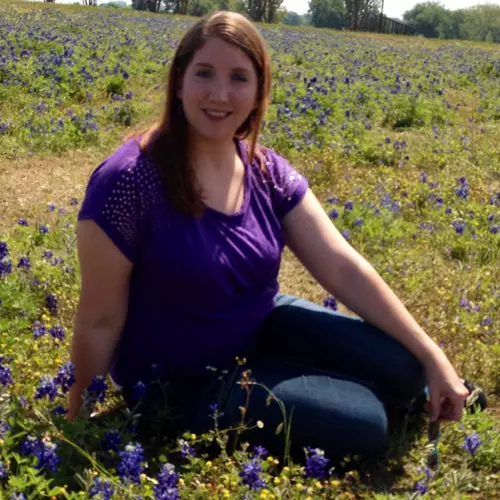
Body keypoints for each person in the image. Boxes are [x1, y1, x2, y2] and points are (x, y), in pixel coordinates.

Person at [68, 11, 486, 461]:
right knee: (366, 425)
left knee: (407, 367)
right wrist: (78, 419)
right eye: (204, 73)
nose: (220, 94)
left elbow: (341, 266)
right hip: (181, 378)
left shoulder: (265, 171)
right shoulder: (128, 180)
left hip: (261, 322)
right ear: (178, 81)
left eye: (239, 78)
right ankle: (375, 401)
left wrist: (432, 353)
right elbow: (99, 320)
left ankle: (407, 390)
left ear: (258, 91)